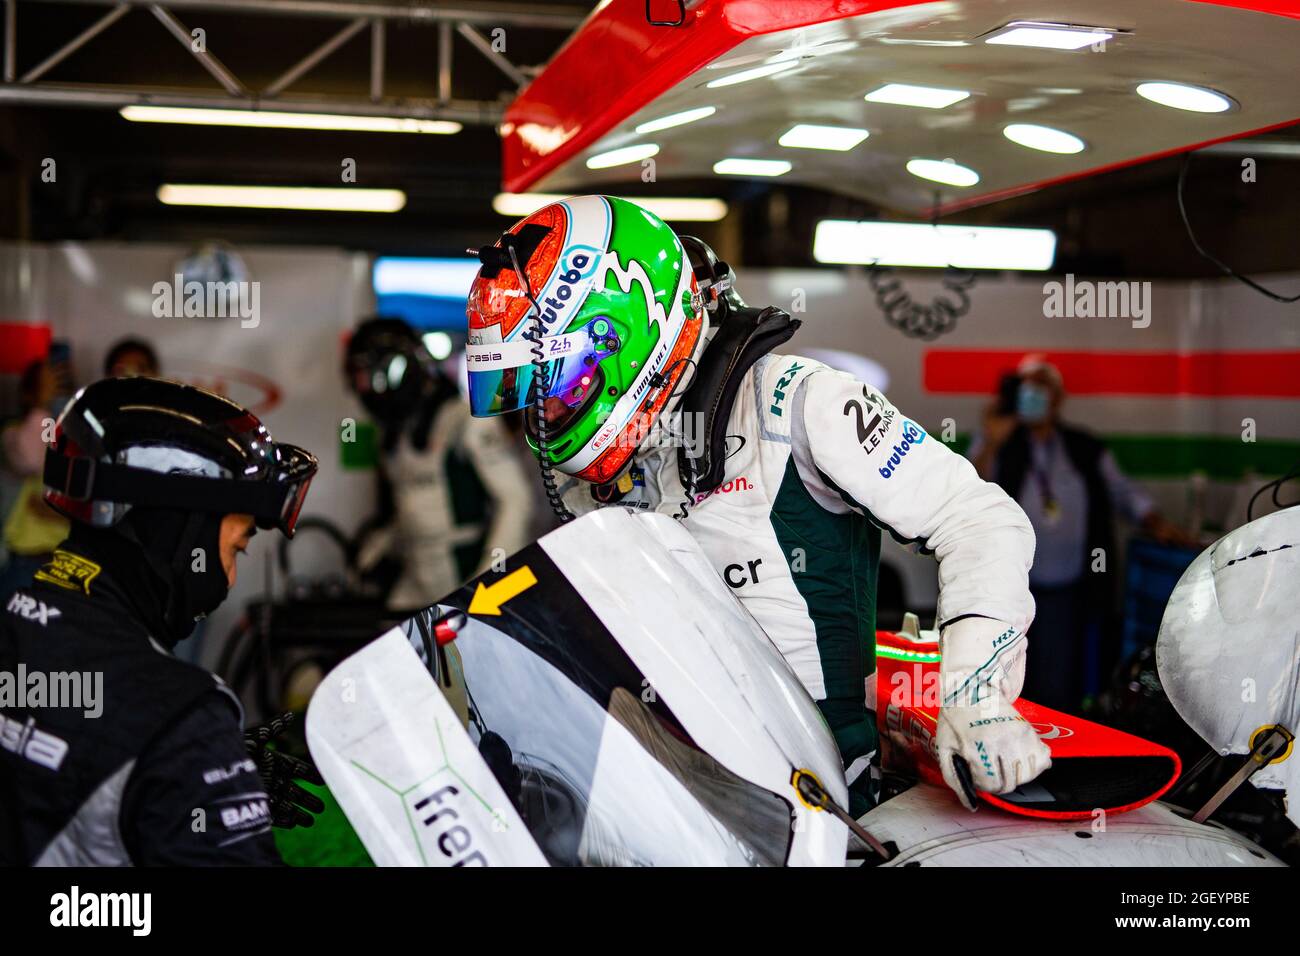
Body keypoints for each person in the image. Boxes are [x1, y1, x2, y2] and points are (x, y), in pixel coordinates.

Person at [464, 195, 1048, 813]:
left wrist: (976, 696)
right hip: (679, 784)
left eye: (551, 381)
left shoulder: (801, 403)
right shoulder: (596, 476)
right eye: (529, 395)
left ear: (625, 332)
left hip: (830, 800)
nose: (545, 413)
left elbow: (982, 520)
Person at [0, 377, 321, 865]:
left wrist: (194, 772)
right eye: (238, 546)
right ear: (178, 530)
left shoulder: (18, 623)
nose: (231, 577)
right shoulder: (180, 720)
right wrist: (195, 758)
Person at [969, 353, 1191, 713]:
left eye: (1043, 388)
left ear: (1058, 398)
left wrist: (1156, 521)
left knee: (1059, 679)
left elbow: (1123, 491)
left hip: (1067, 587)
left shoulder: (1083, 446)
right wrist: (993, 439)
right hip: (1010, 585)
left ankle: (1057, 750)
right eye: (1027, 388)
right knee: (1006, 674)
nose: (1034, 396)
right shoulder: (1000, 441)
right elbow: (970, 491)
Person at [344, 317, 532, 610]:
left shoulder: (465, 420)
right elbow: (412, 510)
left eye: (371, 376)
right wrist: (377, 548)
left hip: (464, 580)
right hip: (415, 582)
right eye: (360, 379)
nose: (367, 388)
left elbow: (516, 503)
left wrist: (489, 587)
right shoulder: (395, 435)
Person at [0, 360, 70, 600]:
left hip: (62, 562)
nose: (53, 390)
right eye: (45, 384)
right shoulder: (12, 434)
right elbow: (33, 459)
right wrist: (42, 406)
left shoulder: (64, 438)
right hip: (25, 559)